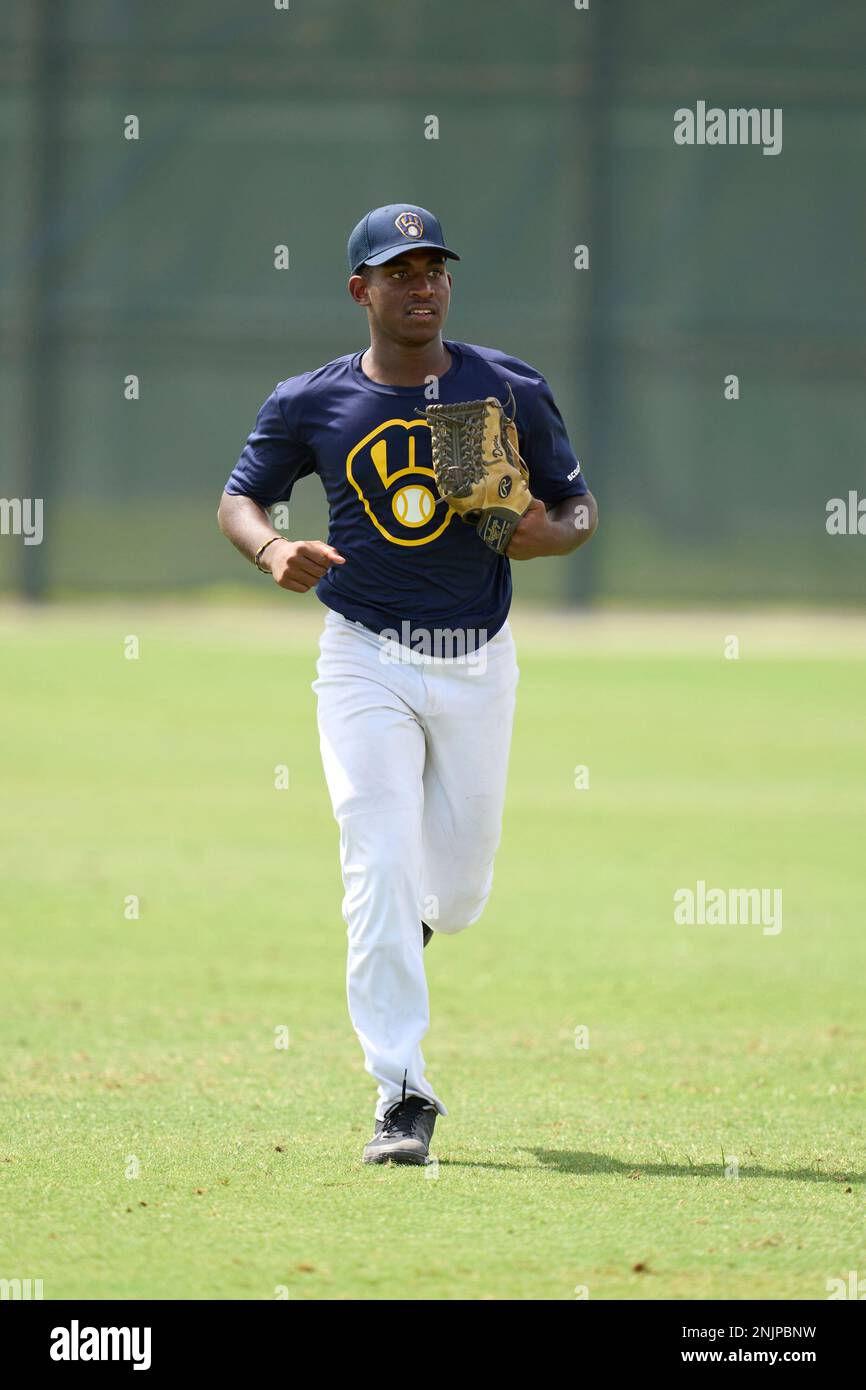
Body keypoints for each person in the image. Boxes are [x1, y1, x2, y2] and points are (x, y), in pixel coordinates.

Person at [218, 203, 598, 1165]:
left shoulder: (499, 388)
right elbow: (239, 495)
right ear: (363, 291)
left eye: (435, 269)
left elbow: (576, 500)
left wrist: (557, 532)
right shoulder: (312, 400)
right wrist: (271, 549)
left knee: (457, 896)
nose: (422, 284)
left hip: (476, 661)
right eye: (400, 271)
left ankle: (402, 936)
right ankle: (402, 1094)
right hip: (364, 656)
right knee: (377, 860)